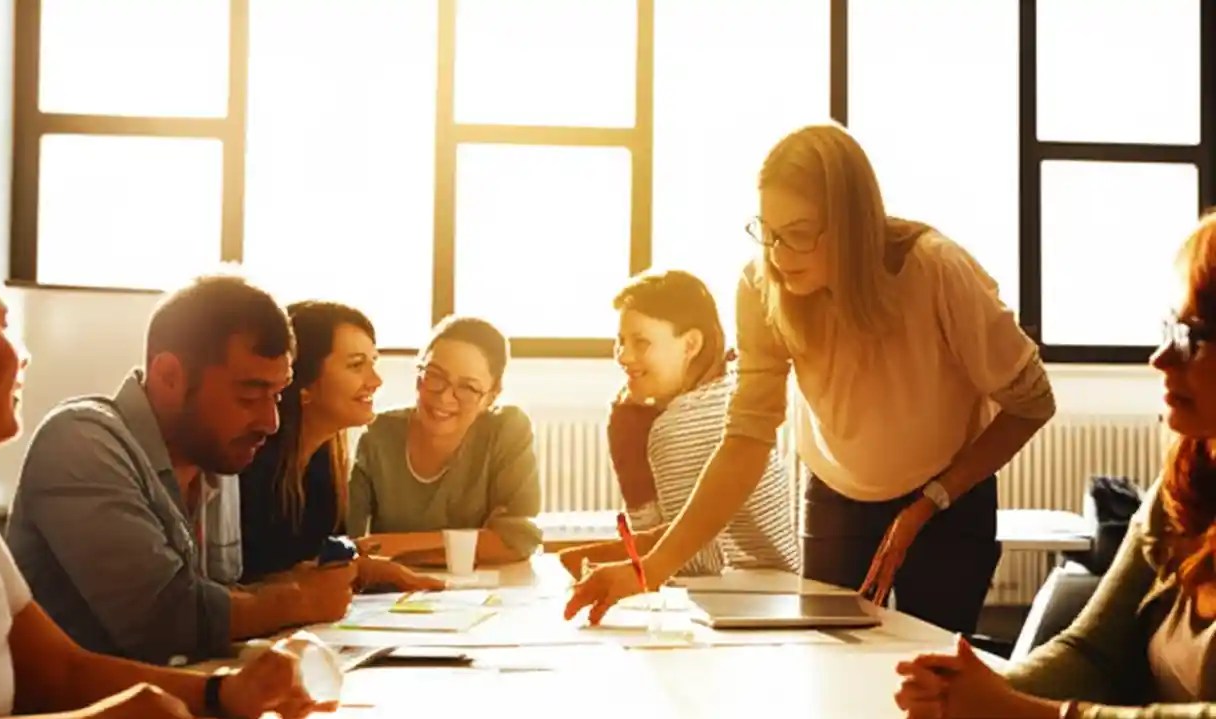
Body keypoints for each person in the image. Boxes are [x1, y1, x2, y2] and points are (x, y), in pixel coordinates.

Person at [566, 122, 1056, 636]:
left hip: (947, 494)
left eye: (799, 234)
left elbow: (1033, 403)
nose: (779, 256)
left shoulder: (936, 269)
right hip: (837, 491)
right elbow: (746, 437)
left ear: (852, 225)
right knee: (826, 652)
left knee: (931, 661)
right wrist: (649, 570)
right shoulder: (761, 284)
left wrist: (931, 500)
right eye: (769, 233)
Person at [0, 212, 328, 719]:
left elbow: (61, 671)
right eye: (2, 325)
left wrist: (221, 695)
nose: (23, 355)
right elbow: (164, 618)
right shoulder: (81, 438)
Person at [894, 212, 1216, 719]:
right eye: (1167, 329)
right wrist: (963, 693)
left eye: (1190, 337)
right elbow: (1093, 652)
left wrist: (1018, 710)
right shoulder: (1187, 481)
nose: (1159, 358)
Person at [7, 272, 355, 665]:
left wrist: (296, 583)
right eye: (248, 396)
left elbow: (216, 594)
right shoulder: (81, 441)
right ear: (169, 376)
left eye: (276, 396)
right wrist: (298, 600)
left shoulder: (216, 460)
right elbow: (163, 619)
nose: (270, 423)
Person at [557, 269, 800, 577]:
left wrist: (627, 445)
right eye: (621, 341)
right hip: (774, 581)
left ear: (690, 345)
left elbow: (692, 562)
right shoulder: (728, 396)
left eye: (641, 342)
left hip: (749, 587)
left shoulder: (677, 426)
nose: (623, 356)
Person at [240, 300, 442, 591]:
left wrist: (368, 570)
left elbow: (319, 566)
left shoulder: (323, 462)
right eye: (356, 365)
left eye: (373, 363)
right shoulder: (248, 468)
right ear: (301, 381)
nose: (376, 381)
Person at [348, 315, 542, 565]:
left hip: (484, 586)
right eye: (434, 376)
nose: (445, 397)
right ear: (418, 373)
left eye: (468, 388)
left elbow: (518, 541)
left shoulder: (507, 429)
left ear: (491, 397)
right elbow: (351, 544)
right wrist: (475, 542)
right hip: (394, 586)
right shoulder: (379, 435)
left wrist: (397, 545)